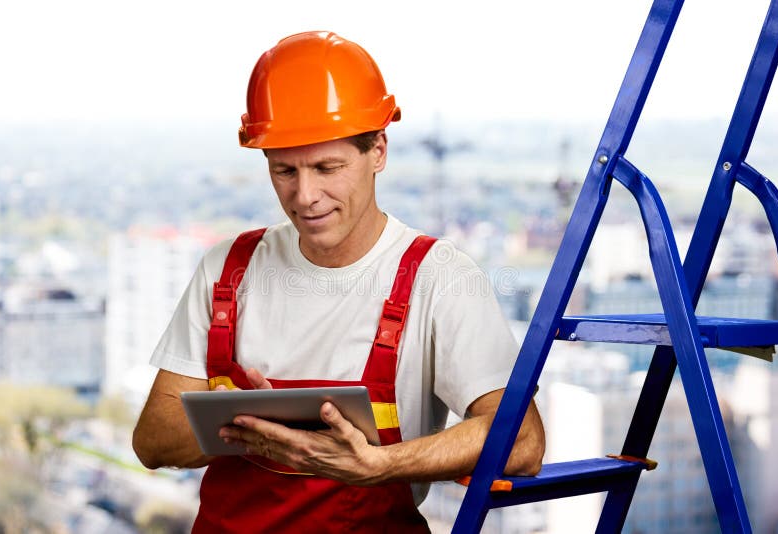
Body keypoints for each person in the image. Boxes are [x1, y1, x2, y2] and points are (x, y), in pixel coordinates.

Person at [132, 30, 545, 532]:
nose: (305, 195)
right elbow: (153, 441)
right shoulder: (227, 271)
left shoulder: (439, 279)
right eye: (285, 170)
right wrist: (255, 420)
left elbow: (521, 443)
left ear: (378, 151)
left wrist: (378, 466)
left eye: (328, 167)